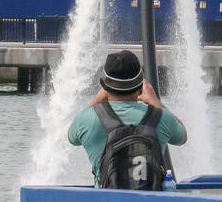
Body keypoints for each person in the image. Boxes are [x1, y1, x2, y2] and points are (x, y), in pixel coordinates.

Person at [68, 50, 187, 188]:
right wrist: (154, 101)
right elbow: (182, 136)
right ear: (140, 85)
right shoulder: (162, 117)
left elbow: (72, 137)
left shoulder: (86, 119)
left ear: (104, 85)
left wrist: (98, 99)